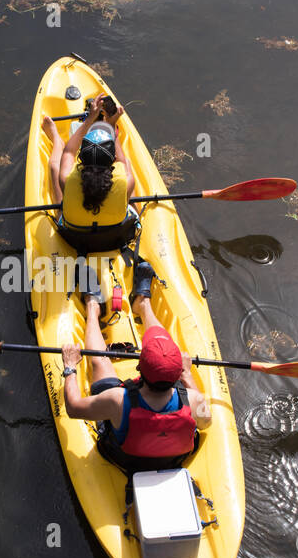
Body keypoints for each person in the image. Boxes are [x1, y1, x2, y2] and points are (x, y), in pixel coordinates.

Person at [60, 259, 212, 471]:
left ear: (138, 369)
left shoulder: (116, 401)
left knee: (100, 362)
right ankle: (143, 303)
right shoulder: (194, 400)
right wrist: (187, 375)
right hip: (172, 459)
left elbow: (74, 408)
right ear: (176, 374)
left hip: (124, 457)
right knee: (162, 345)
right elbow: (205, 424)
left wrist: (70, 367)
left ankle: (93, 307)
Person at [42, 95, 137, 251]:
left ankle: (56, 141)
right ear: (111, 158)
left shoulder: (67, 179)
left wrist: (89, 119)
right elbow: (122, 161)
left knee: (55, 169)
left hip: (75, 236)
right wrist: (111, 125)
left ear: (81, 157)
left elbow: (68, 153)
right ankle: (58, 140)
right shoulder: (125, 181)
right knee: (128, 169)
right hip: (114, 236)